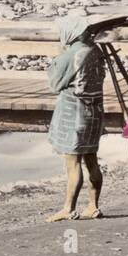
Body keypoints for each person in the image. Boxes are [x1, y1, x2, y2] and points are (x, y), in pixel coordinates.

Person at [45, 15, 107, 222]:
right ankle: (93, 206)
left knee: (73, 163)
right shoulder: (95, 51)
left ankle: (68, 208)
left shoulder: (72, 54)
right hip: (95, 109)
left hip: (75, 111)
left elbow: (55, 85)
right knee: (91, 159)